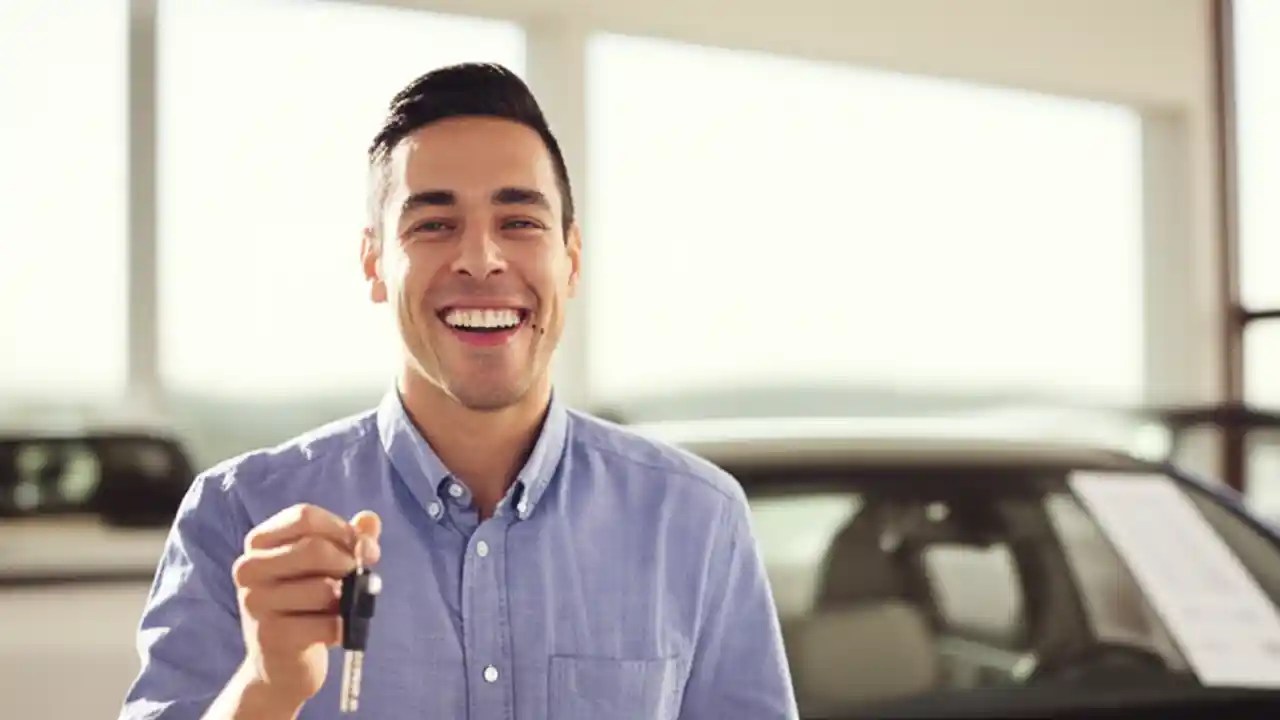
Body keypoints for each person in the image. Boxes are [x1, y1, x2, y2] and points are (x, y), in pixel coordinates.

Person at [119, 62, 797, 719]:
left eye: (520, 222)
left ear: (573, 260)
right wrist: (266, 688)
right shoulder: (237, 519)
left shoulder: (696, 522)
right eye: (434, 224)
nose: (480, 258)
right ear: (374, 263)